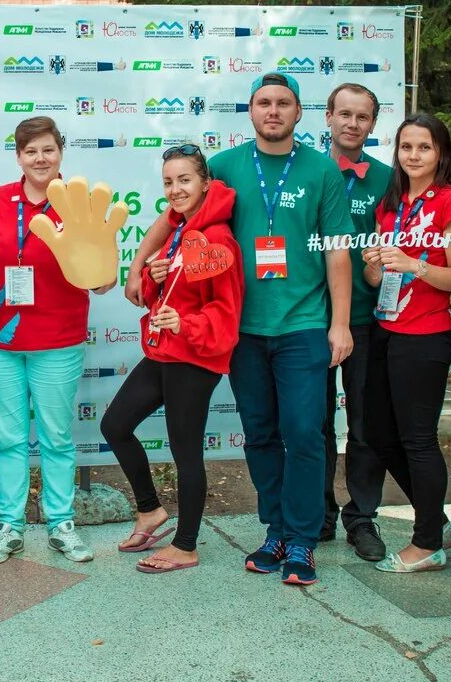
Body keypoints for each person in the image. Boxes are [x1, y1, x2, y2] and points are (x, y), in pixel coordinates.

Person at [126, 72, 355, 587]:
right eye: (263, 103)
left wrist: (340, 324)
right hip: (243, 331)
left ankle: (302, 538)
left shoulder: (322, 171)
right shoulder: (226, 166)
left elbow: (339, 251)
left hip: (304, 323)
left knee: (305, 432)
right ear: (251, 112)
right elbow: (172, 215)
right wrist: (138, 265)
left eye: (283, 103)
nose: (273, 111)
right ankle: (274, 530)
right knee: (261, 434)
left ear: (299, 113)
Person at [0, 118, 107, 565]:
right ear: (18, 156)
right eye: (31, 152)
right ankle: (9, 527)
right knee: (8, 438)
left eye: (48, 150)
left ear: (61, 152)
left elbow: (103, 274)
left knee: (56, 436)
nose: (40, 159)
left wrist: (100, 275)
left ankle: (60, 524)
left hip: (58, 339)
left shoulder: (79, 203)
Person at [101, 144, 243, 573]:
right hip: (164, 353)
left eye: (184, 180)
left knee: (185, 453)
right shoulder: (178, 229)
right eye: (168, 182)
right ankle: (150, 510)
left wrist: (185, 324)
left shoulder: (218, 238)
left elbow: (226, 312)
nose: (176, 189)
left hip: (194, 360)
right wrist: (151, 276)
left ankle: (186, 546)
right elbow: (160, 294)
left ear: (204, 182)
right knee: (114, 425)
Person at [362, 113, 451, 572]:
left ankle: (427, 543)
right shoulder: (390, 204)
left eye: (424, 147)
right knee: (376, 434)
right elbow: (376, 277)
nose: (413, 155)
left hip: (425, 335)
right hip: (386, 329)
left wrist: (415, 264)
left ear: (441, 153)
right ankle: (436, 520)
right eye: (406, 147)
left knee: (418, 441)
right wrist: (375, 264)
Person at [321, 83, 393, 560]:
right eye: (343, 114)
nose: (352, 123)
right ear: (328, 117)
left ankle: (362, 517)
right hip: (309, 318)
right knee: (314, 422)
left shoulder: (390, 178)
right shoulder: (302, 170)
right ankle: (319, 512)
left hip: (368, 319)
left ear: (372, 123)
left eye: (361, 116)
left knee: (367, 423)